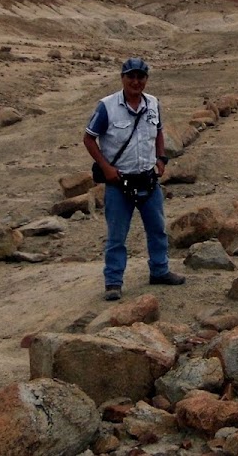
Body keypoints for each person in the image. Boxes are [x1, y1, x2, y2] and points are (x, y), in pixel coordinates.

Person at [83, 57, 185, 301]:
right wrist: (105, 167)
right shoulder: (106, 106)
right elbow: (89, 138)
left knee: (157, 229)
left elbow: (158, 131)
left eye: (141, 77)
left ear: (146, 79)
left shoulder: (153, 104)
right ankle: (113, 282)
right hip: (119, 183)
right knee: (117, 235)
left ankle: (160, 271)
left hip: (148, 179)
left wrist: (161, 159)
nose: (136, 81)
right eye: (131, 76)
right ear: (123, 78)